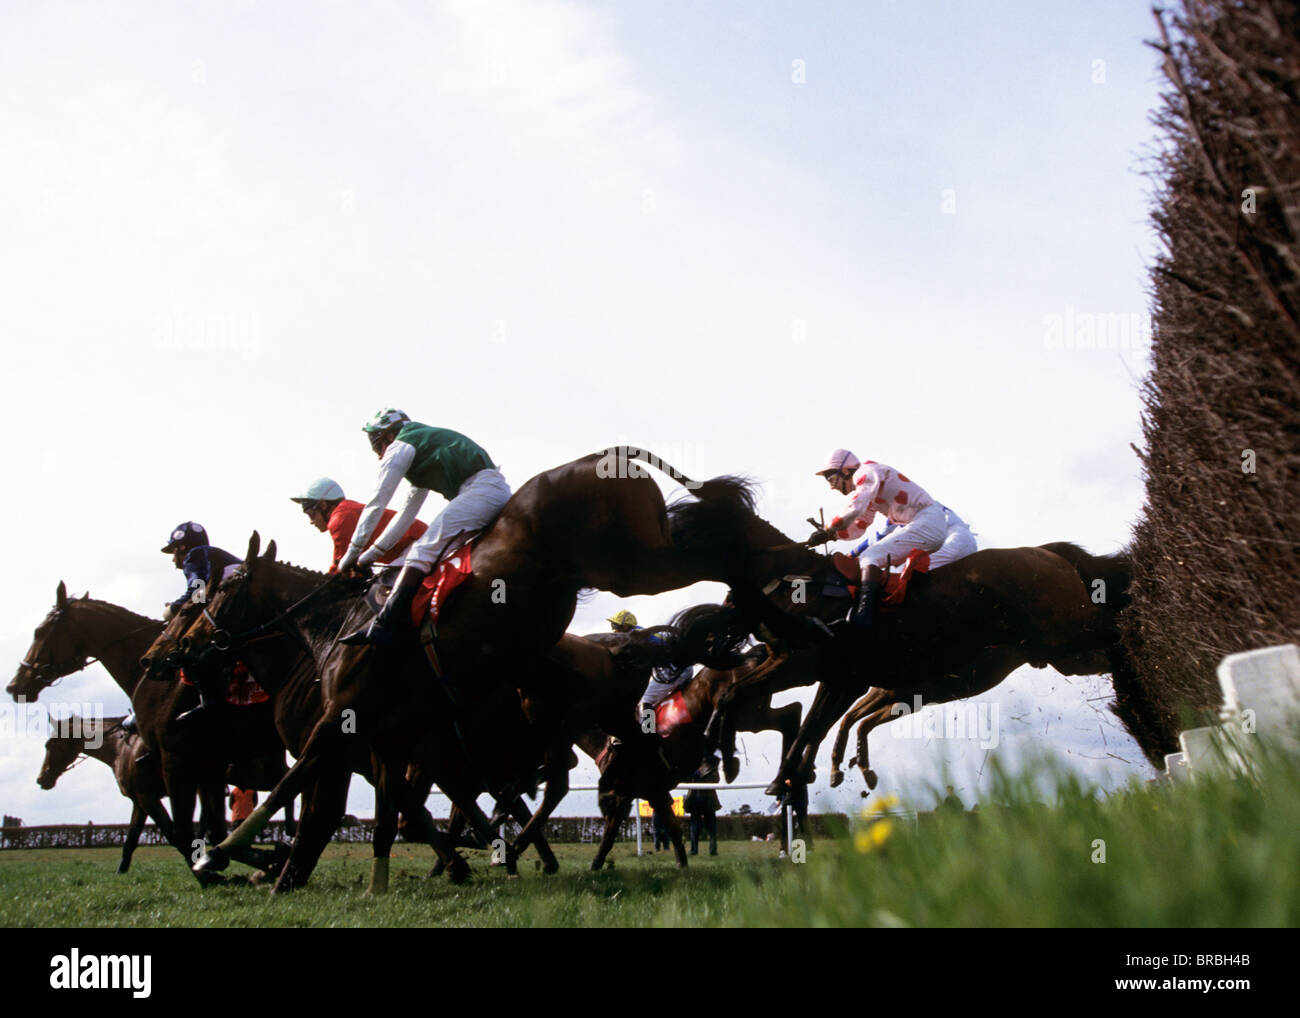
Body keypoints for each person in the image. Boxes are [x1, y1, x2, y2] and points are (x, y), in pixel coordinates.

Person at [340, 409, 511, 646]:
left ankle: (384, 625)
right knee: (414, 557)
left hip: (481, 491)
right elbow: (405, 515)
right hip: (488, 491)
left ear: (389, 436)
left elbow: (377, 502)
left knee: (421, 551)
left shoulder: (400, 446)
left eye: (376, 444)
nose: (379, 456)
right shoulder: (421, 449)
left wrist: (352, 553)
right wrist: (370, 555)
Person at [810, 450, 977, 630]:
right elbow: (859, 525)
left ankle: (865, 618)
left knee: (871, 558)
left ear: (845, 471)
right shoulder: (870, 489)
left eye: (831, 479)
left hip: (930, 523)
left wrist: (828, 530)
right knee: (878, 562)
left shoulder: (865, 472)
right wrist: (833, 535)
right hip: (928, 524)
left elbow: (856, 508)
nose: (831, 487)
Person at [122, 523, 241, 734]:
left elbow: (198, 593)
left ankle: (209, 703)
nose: (173, 559)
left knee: (190, 650)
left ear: (182, 548)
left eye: (173, 552)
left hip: (234, 609)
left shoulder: (194, 556)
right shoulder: (211, 556)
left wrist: (173, 609)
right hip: (238, 607)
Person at [290, 477, 427, 574]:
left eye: (310, 514)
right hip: (411, 544)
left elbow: (339, 568)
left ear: (323, 505)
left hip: (414, 543)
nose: (311, 521)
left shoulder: (339, 519)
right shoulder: (345, 511)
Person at [685, 766, 720, 856]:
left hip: (707, 800)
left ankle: (711, 851)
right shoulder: (694, 765)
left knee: (711, 828)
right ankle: (695, 851)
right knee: (695, 828)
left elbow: (716, 780)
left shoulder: (710, 766)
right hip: (697, 800)